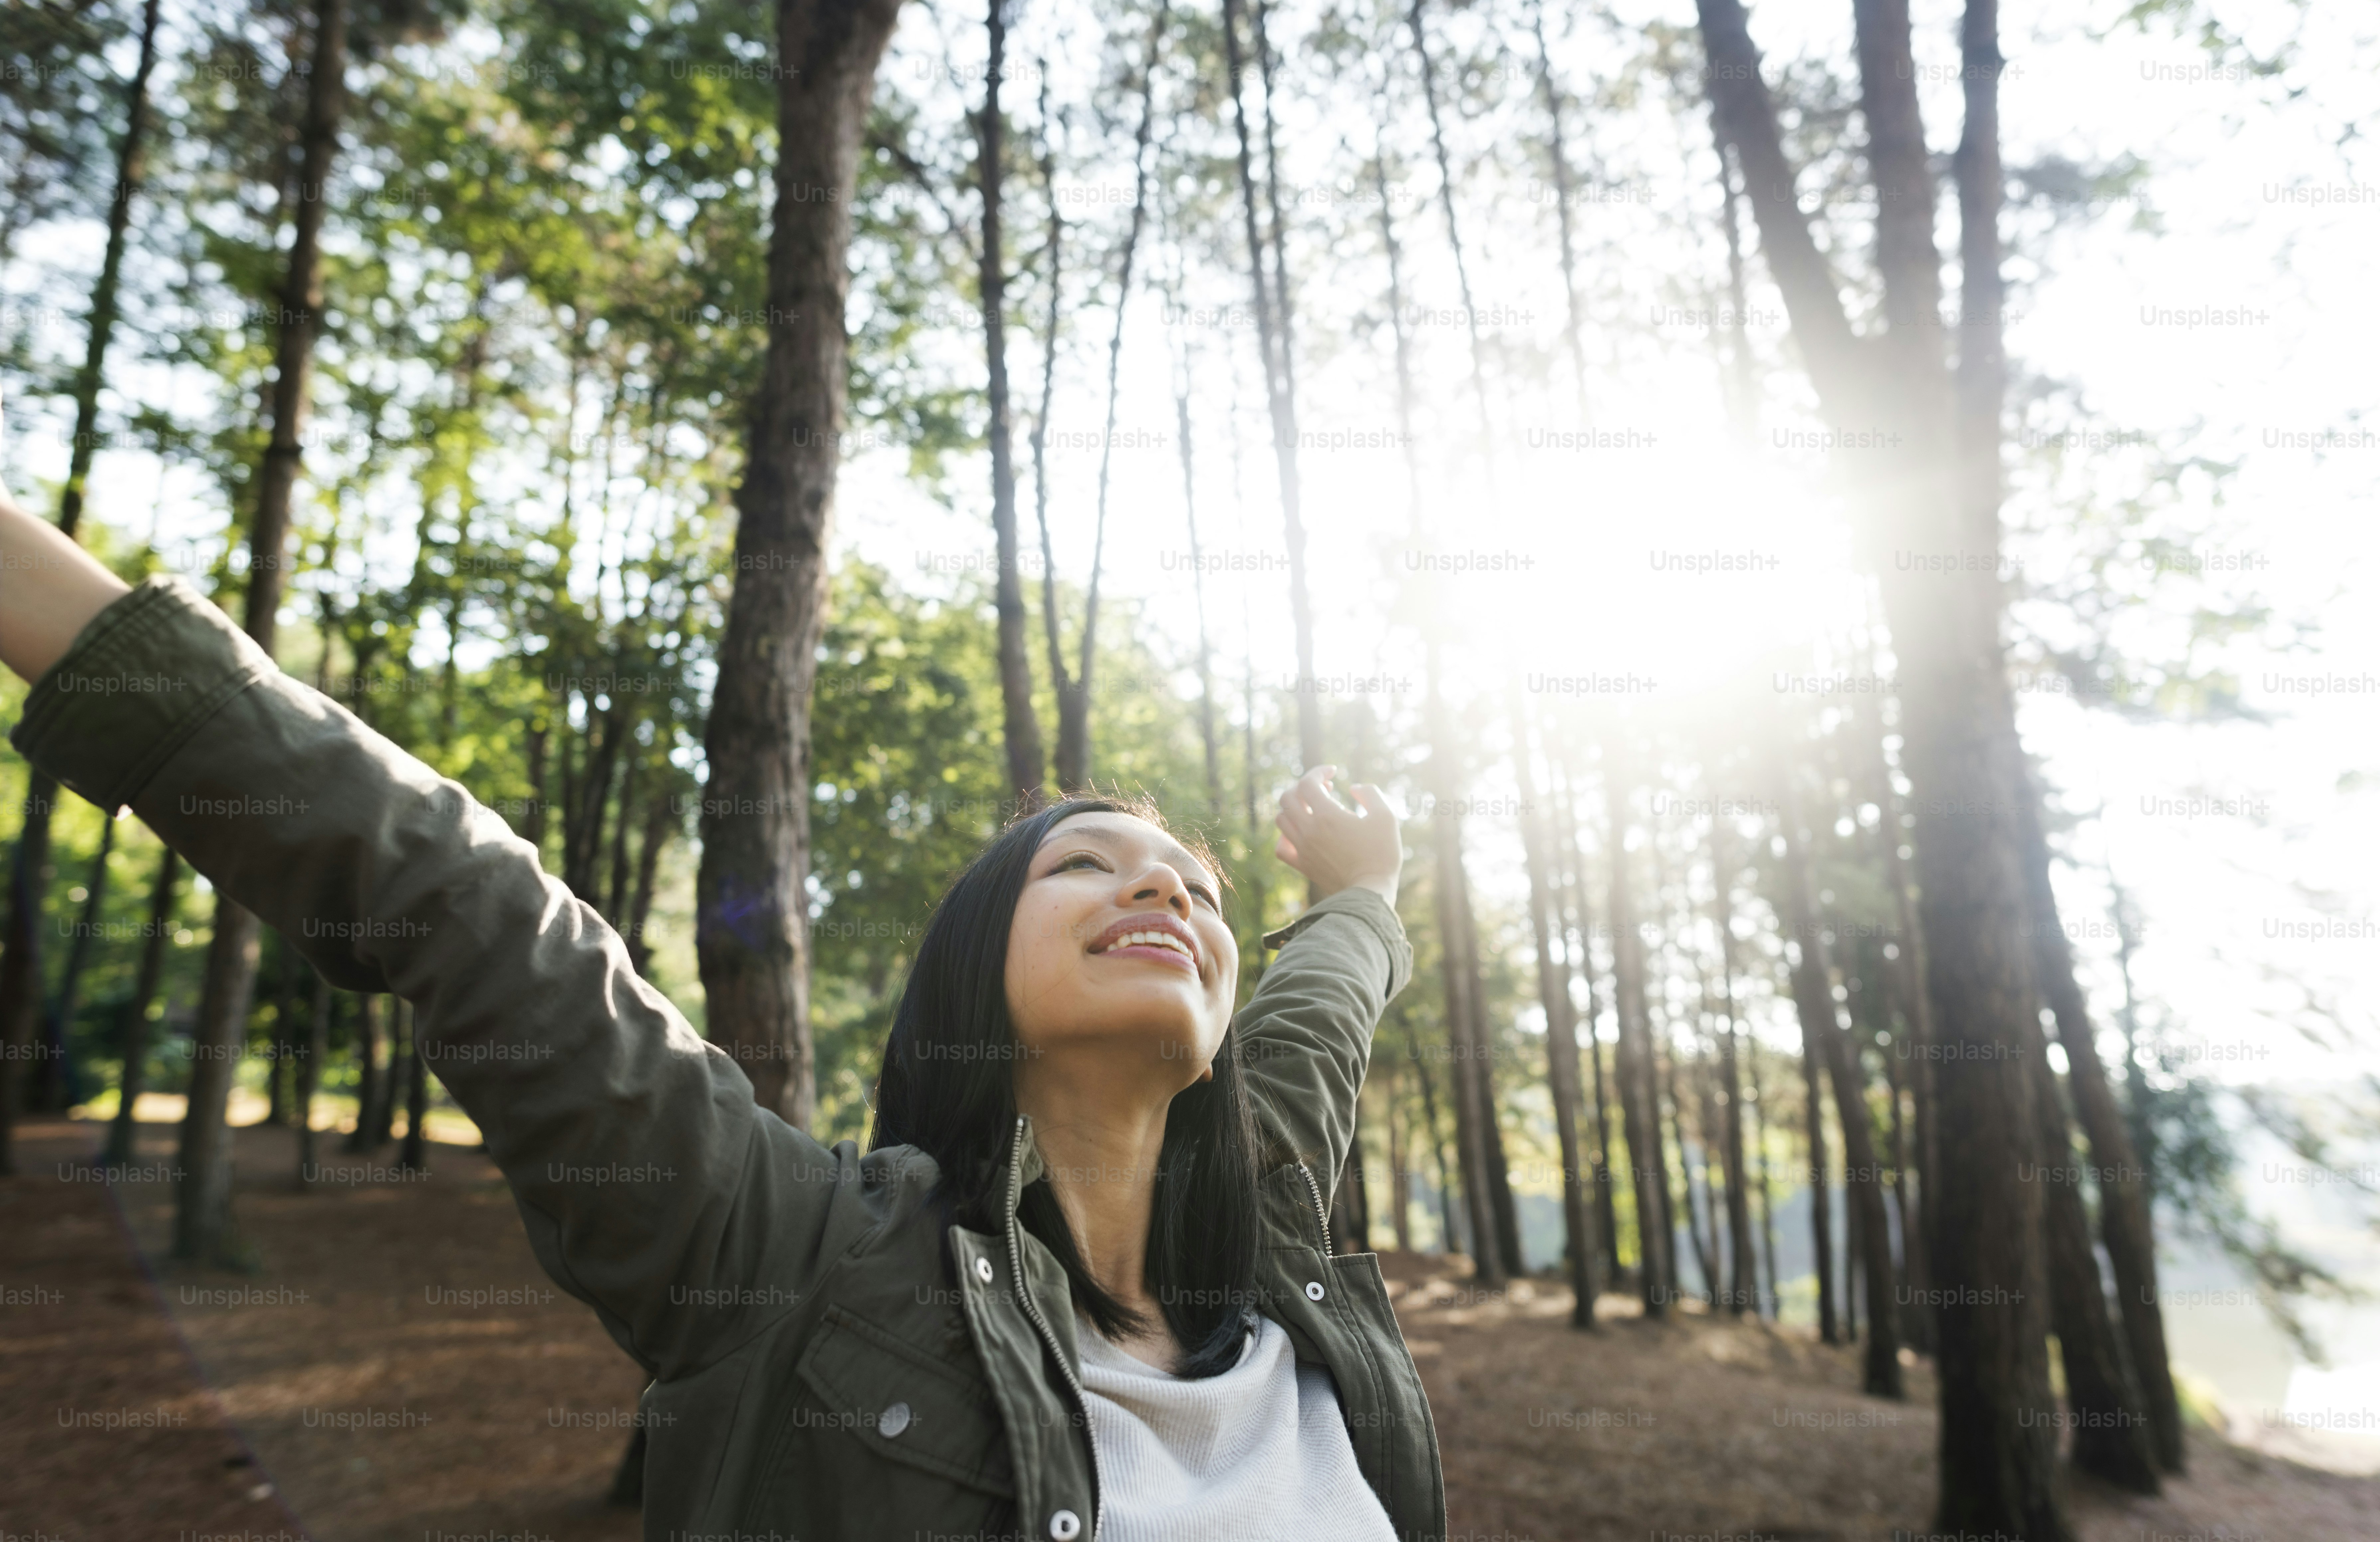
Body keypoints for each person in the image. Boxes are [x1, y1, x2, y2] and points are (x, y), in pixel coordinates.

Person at [0, 489, 1445, 1542]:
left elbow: (1317, 1011)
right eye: (1085, 862)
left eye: (1196, 885)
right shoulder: (790, 1253)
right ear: (966, 969)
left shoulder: (1271, 1226)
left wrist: (1362, 888)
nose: (1167, 886)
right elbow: (460, 897)